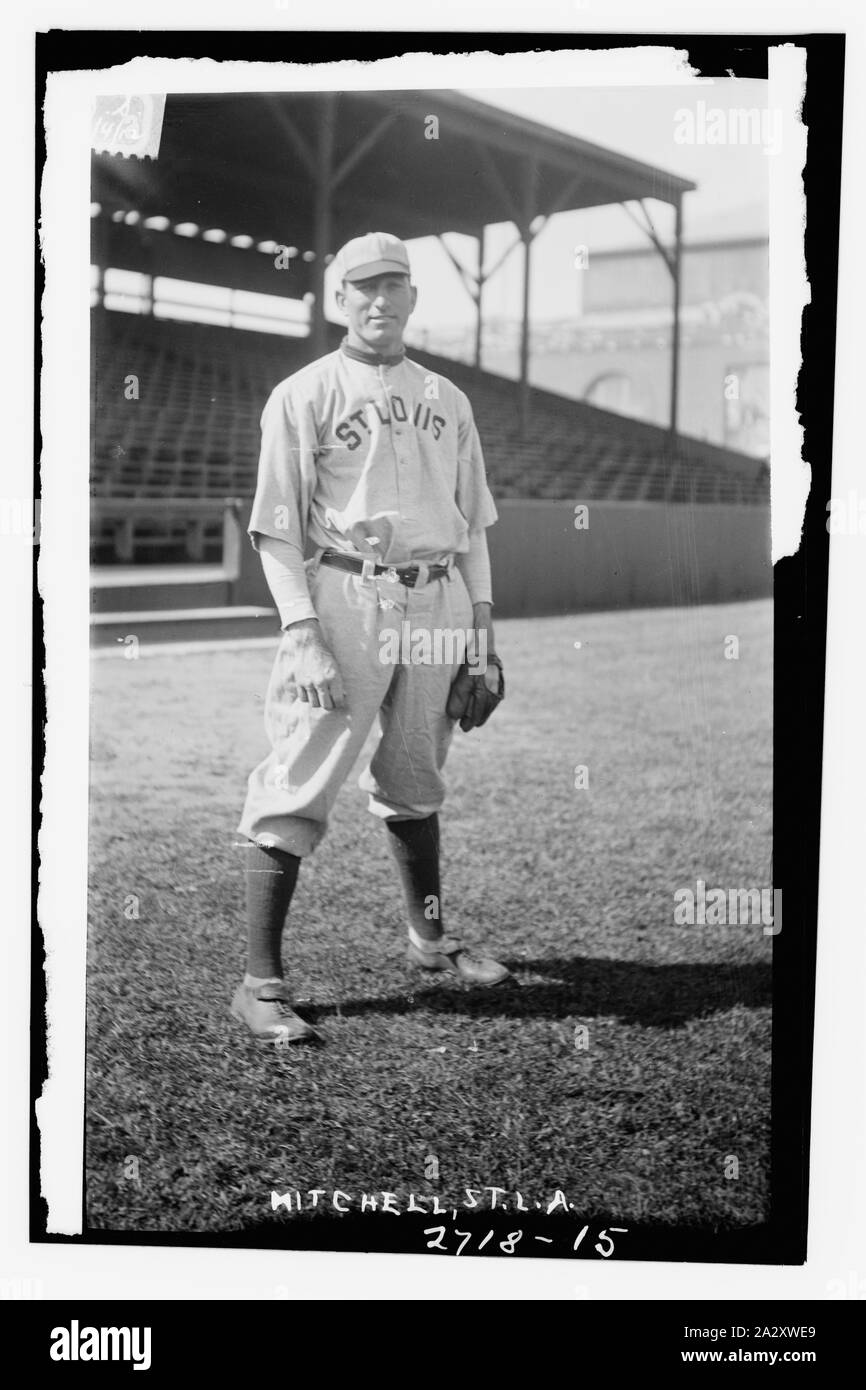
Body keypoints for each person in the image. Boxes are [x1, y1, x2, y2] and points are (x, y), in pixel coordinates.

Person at [231, 231, 509, 1045]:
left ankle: (429, 941)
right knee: (298, 777)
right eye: (363, 287)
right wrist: (304, 632)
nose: (380, 299)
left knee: (418, 775)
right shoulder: (303, 392)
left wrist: (482, 633)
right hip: (346, 591)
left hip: (439, 598)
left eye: (395, 284)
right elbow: (277, 531)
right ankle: (258, 985)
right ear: (337, 298)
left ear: (414, 297)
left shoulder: (449, 399)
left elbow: (475, 530)